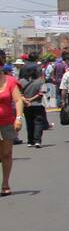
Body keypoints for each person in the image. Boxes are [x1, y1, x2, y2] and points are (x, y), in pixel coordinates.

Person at [0, 63, 24, 195]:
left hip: (6, 122)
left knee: (6, 154)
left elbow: (18, 100)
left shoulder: (9, 81)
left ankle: (5, 183)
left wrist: (19, 118)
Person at [19, 63, 47, 148]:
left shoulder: (21, 81)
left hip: (26, 106)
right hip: (38, 104)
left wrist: (26, 100)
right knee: (38, 123)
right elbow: (42, 93)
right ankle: (37, 141)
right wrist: (31, 99)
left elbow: (19, 94)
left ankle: (30, 141)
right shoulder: (41, 81)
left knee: (29, 123)